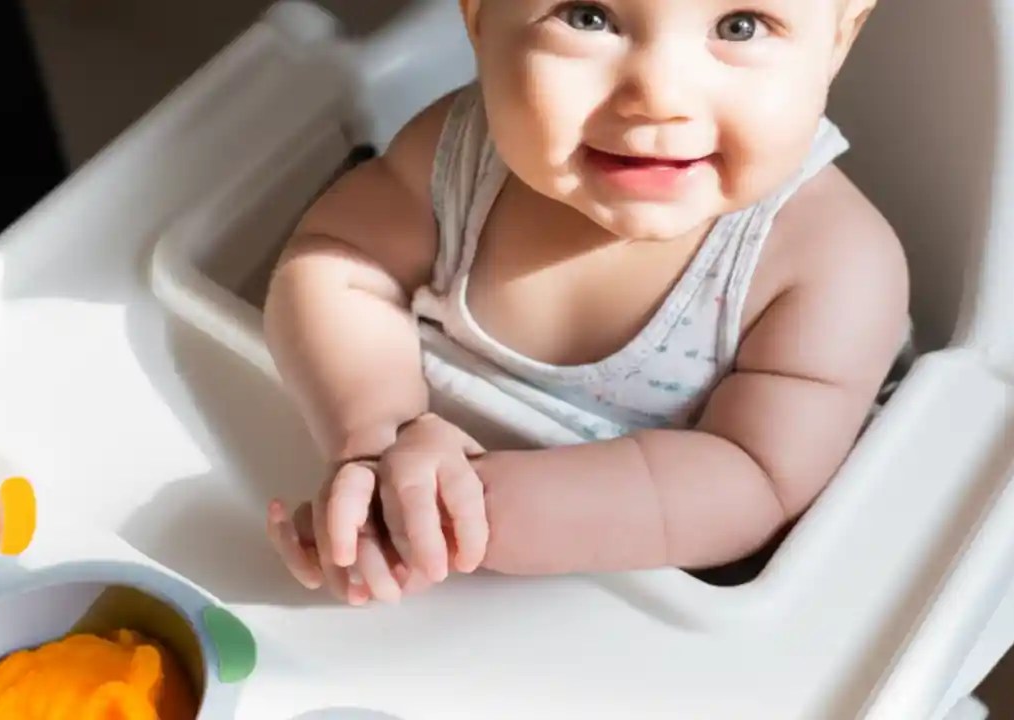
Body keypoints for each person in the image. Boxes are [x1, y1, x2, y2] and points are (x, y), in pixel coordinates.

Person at [264, 0, 911, 606]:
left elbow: (758, 482)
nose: (659, 95)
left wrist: (467, 509)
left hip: (649, 595)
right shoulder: (460, 150)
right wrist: (375, 437)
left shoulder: (832, 263)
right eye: (588, 15)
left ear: (838, 38)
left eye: (740, 26)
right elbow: (341, 263)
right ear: (479, 15)